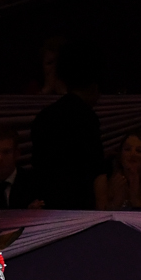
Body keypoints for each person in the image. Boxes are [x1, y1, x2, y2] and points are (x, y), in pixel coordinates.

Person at [30, 41, 104, 209]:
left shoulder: (44, 116)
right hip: (80, 208)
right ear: (94, 87)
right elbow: (93, 170)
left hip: (47, 206)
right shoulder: (87, 118)